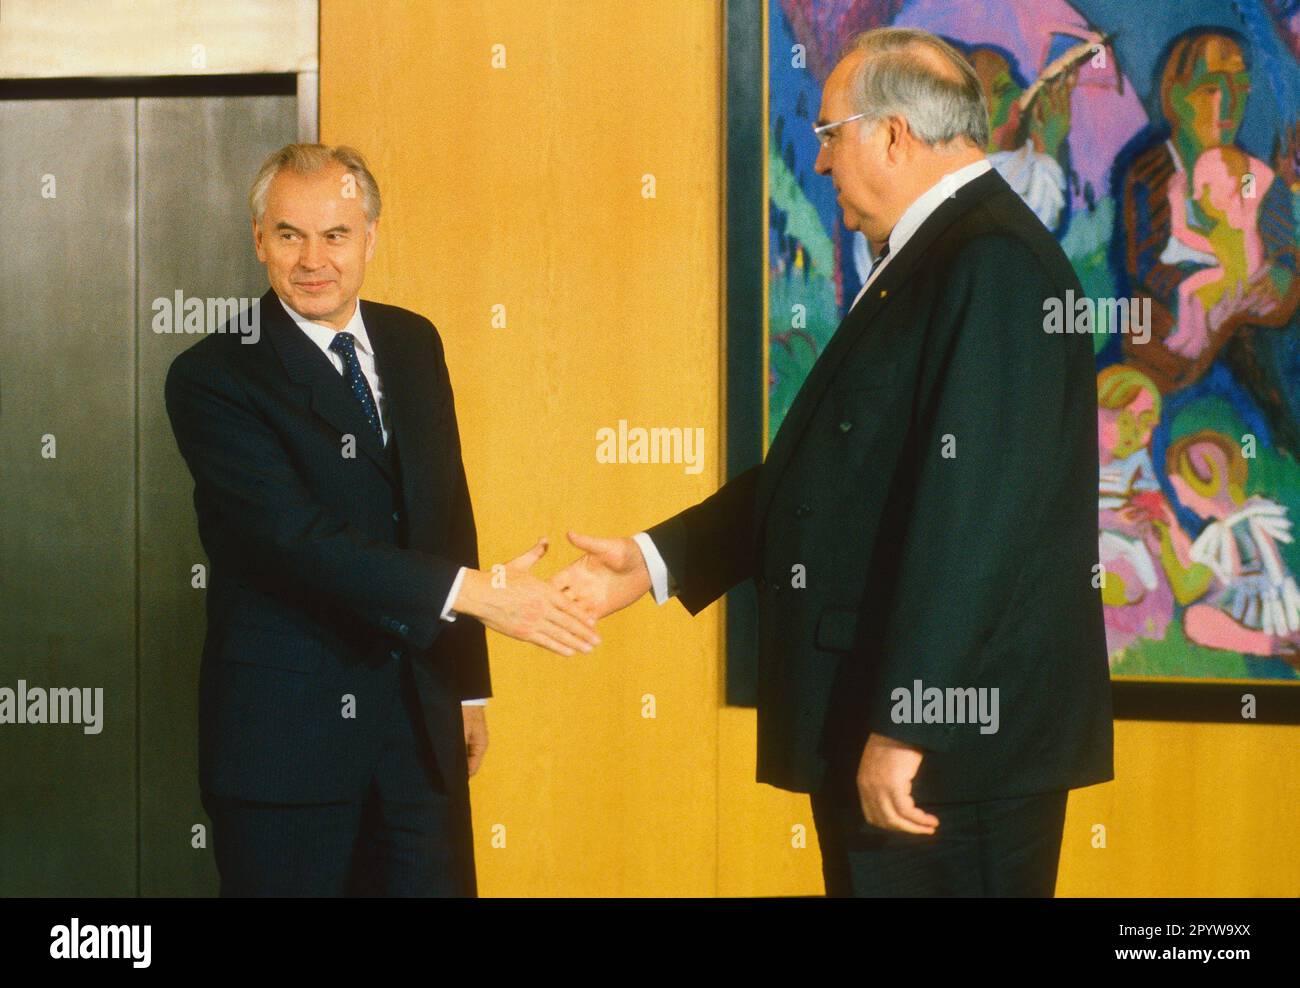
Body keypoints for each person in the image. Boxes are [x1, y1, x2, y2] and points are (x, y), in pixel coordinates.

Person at [551, 28, 1114, 897]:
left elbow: (977, 519)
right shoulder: (941, 256)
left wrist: (908, 719)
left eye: (826, 135)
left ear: (892, 135)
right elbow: (839, 469)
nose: (817, 165)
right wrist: (658, 560)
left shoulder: (992, 264)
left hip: (952, 761)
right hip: (906, 743)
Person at [165, 143, 599, 896]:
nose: (312, 259)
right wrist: (474, 594)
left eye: (335, 234)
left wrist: (466, 690)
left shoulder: (413, 341)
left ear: (370, 237)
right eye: (289, 234)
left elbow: (444, 514)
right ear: (258, 239)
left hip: (418, 734)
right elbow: (294, 541)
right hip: (285, 748)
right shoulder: (214, 374)